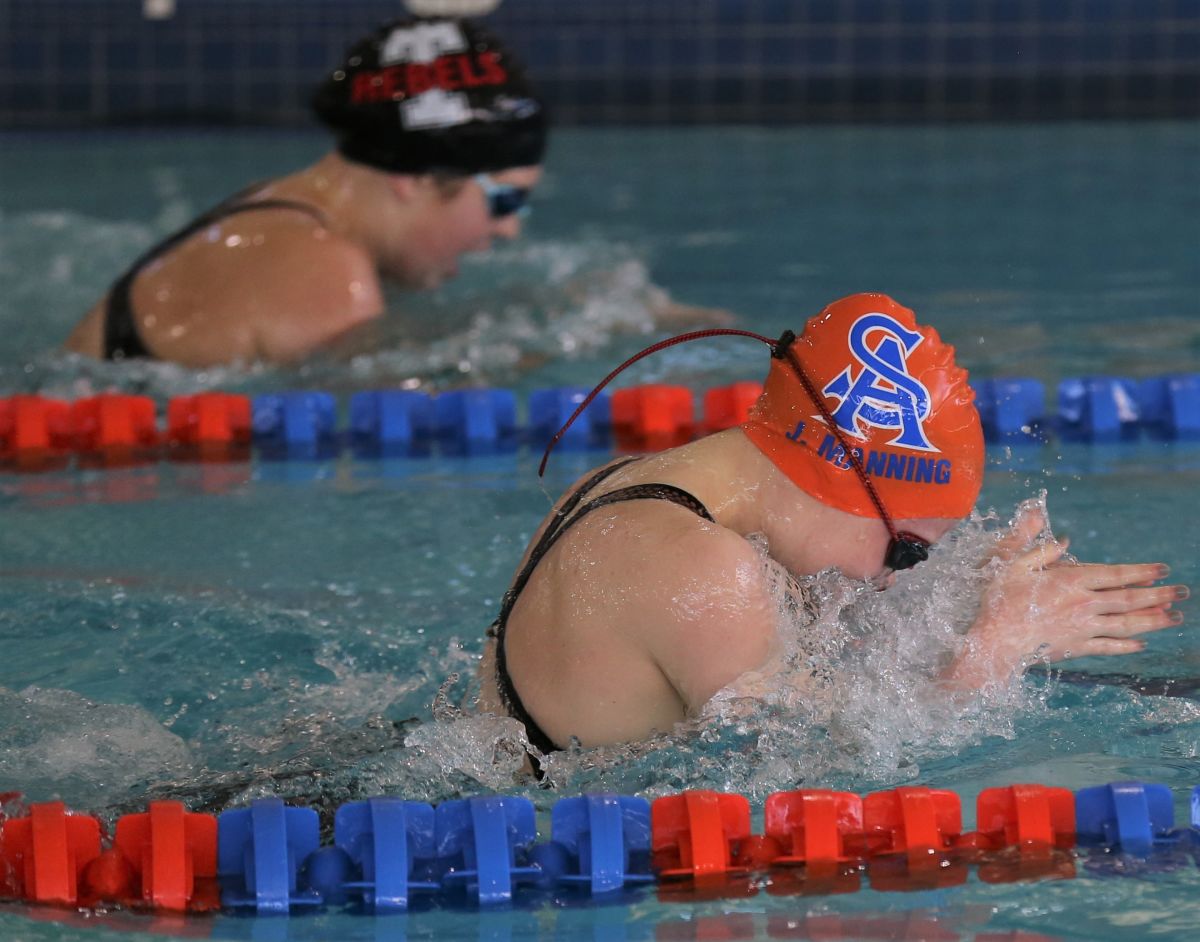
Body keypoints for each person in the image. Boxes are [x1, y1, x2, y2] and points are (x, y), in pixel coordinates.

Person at [478, 292, 1189, 754]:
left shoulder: (618, 489)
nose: (884, 585)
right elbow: (824, 798)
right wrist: (991, 654)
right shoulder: (707, 575)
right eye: (907, 554)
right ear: (845, 485)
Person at [64, 16, 548, 368]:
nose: (508, 228)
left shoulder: (277, 209)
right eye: (505, 200)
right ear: (415, 177)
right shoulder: (324, 268)